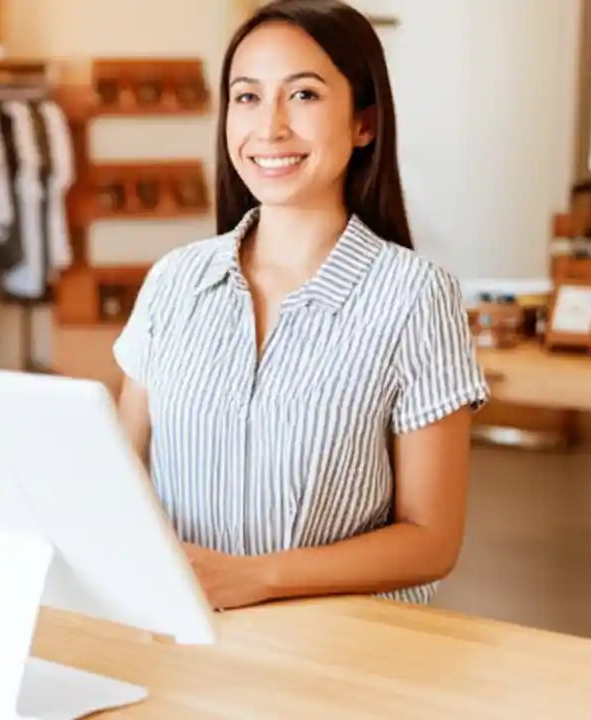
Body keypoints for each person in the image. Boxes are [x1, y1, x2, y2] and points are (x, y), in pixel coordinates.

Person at [114, 0, 490, 610]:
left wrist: (255, 577)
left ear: (364, 122)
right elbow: (119, 474)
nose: (270, 128)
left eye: (305, 96)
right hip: (184, 636)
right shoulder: (174, 281)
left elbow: (431, 541)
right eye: (247, 97)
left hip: (340, 654)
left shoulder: (416, 296)